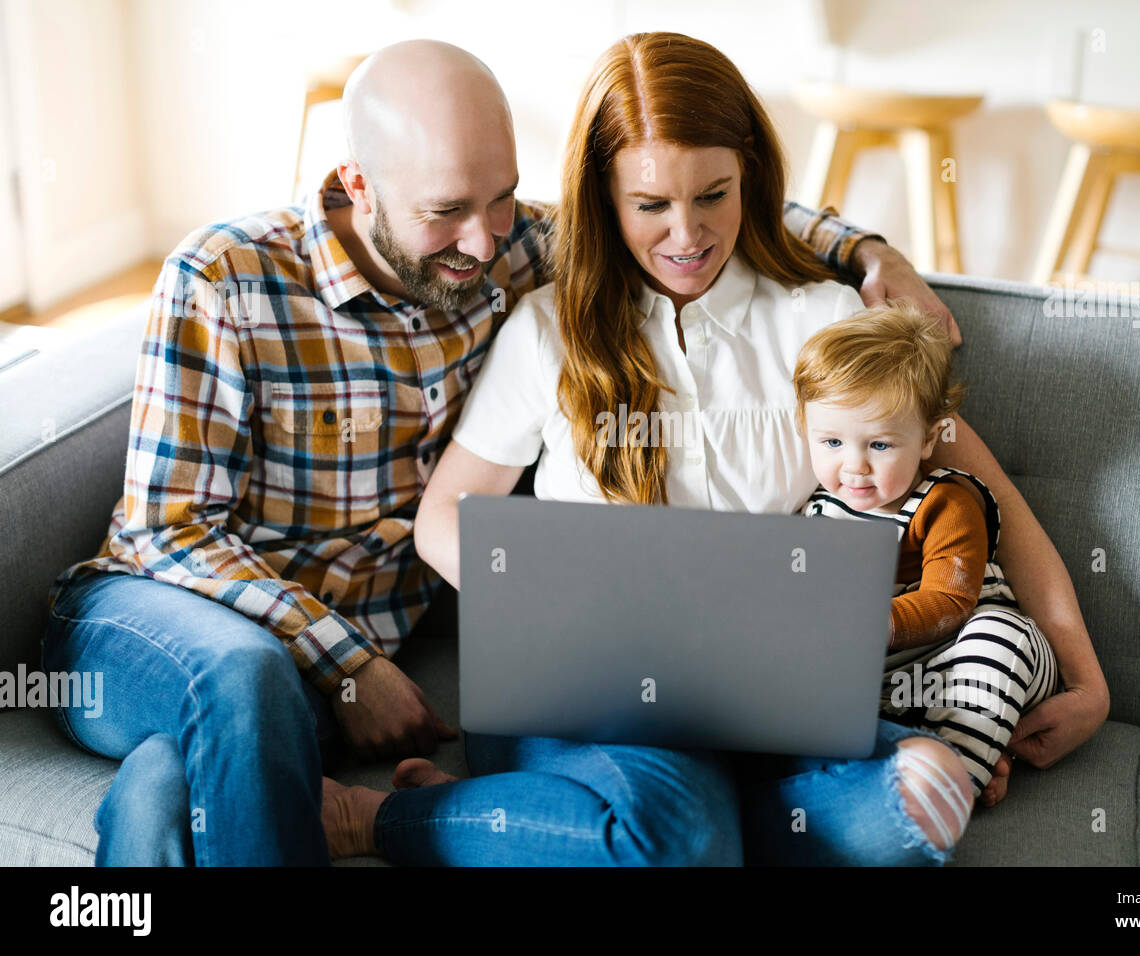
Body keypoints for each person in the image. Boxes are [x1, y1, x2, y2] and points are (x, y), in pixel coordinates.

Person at [40, 38, 956, 866]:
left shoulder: (510, 247)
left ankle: (170, 792)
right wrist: (348, 662)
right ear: (357, 184)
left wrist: (871, 251)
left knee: (206, 754)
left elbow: (685, 202)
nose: (485, 240)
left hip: (326, 679)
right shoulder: (224, 279)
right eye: (448, 211)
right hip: (161, 614)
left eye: (504, 198)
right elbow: (169, 531)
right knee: (245, 679)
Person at [321, 31, 1069, 866]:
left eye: (713, 194)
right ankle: (388, 820)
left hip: (773, 698)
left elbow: (981, 490)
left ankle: (541, 826)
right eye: (650, 206)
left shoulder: (822, 323)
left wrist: (1089, 684)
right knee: (686, 830)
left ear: (748, 172)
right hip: (589, 696)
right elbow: (444, 519)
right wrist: (559, 604)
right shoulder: (548, 331)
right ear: (603, 197)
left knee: (922, 795)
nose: (688, 234)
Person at [794, 301, 1060, 803]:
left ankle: (949, 784)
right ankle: (943, 754)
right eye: (831, 441)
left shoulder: (945, 502)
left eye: (879, 446)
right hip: (889, 687)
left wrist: (865, 623)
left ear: (928, 439)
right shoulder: (816, 512)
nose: (854, 467)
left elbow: (949, 603)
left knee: (1002, 636)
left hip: (967, 656)